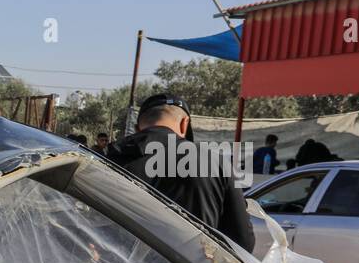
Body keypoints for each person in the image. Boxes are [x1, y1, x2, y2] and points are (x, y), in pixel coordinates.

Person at [104, 94, 255, 251]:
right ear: (184, 124)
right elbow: (243, 242)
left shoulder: (108, 157)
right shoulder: (215, 162)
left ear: (137, 129)